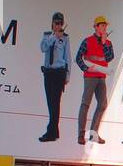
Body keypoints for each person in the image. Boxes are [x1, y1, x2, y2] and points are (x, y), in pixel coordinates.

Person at [76, 15, 114, 145]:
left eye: (105, 26)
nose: (104, 28)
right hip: (90, 76)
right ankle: (81, 135)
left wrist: (104, 43)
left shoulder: (108, 43)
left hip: (101, 77)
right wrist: (86, 68)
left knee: (102, 104)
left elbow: (109, 58)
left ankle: (93, 134)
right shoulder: (87, 41)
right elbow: (78, 58)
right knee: (85, 104)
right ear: (96, 27)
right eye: (102, 25)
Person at [39, 11, 71, 142]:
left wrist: (67, 75)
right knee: (50, 103)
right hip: (48, 73)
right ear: (52, 23)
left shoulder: (66, 38)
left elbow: (67, 57)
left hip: (59, 73)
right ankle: (54, 132)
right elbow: (43, 48)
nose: (58, 25)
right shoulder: (47, 35)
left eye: (60, 23)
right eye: (56, 23)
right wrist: (54, 37)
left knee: (55, 103)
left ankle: (50, 133)